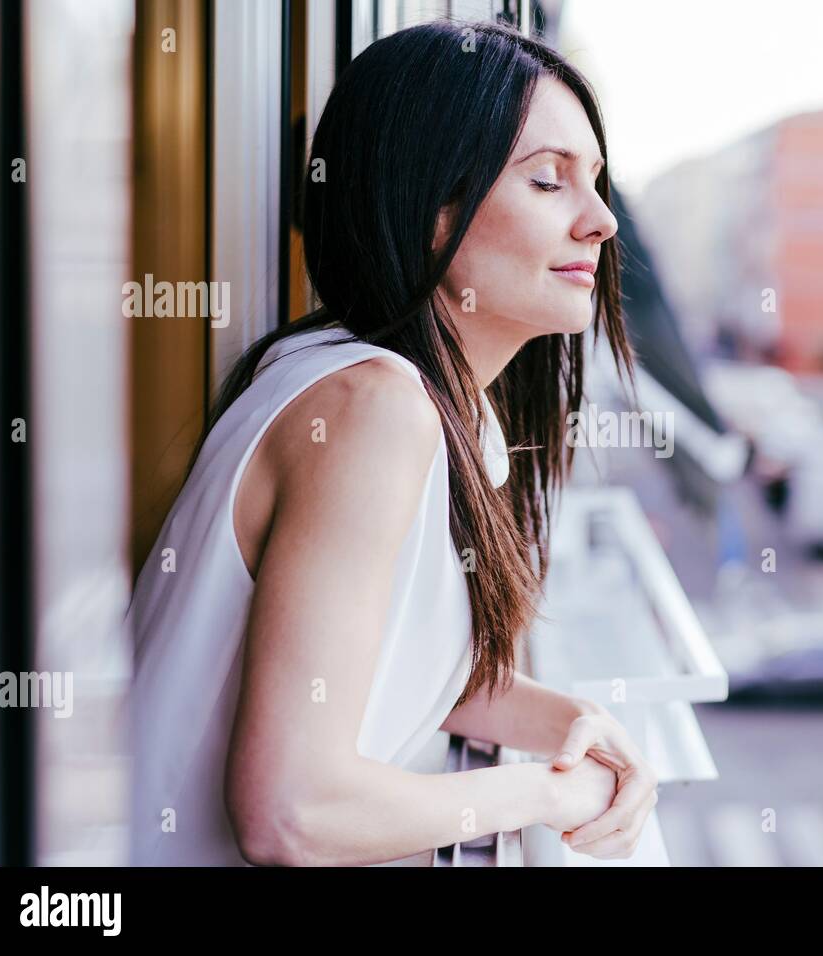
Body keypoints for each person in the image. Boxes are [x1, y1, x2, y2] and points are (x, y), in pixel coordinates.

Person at [127, 19, 657, 866]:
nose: (601, 223)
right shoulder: (370, 410)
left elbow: (384, 666)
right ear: (432, 206)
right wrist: (549, 790)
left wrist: (569, 725)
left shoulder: (427, 408)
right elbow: (291, 813)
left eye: (596, 184)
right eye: (549, 182)